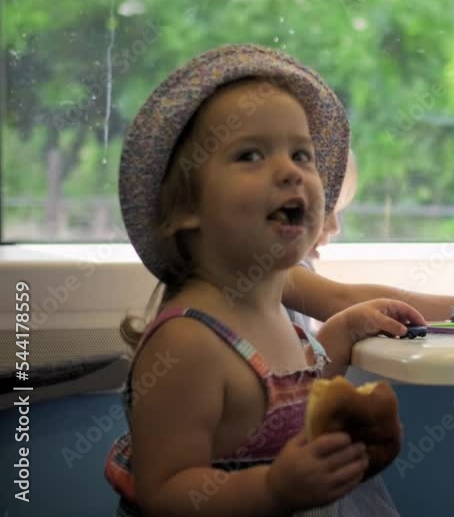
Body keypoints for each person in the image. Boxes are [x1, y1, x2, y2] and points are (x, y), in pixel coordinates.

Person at [105, 44, 425, 517]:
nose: (290, 171)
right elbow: (167, 491)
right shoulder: (187, 344)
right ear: (185, 207)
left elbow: (288, 397)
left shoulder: (272, 312)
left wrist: (345, 329)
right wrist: (273, 489)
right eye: (251, 154)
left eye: (302, 153)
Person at [283, 148, 454, 327]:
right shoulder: (275, 271)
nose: (335, 227)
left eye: (337, 211)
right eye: (324, 211)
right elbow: (343, 300)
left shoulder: (299, 267)